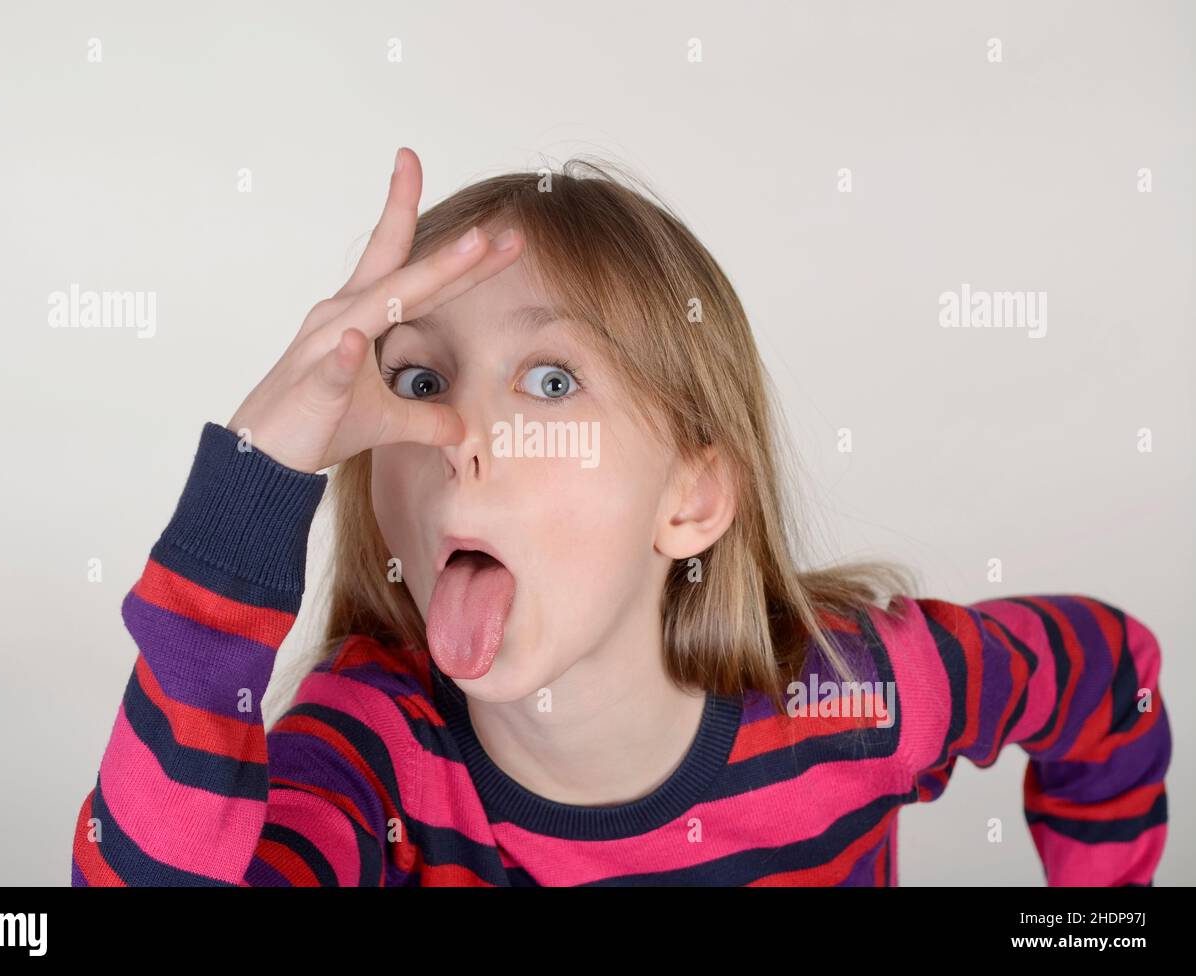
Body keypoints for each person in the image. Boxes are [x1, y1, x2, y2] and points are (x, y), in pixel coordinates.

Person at [71, 147, 1170, 885]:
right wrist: (256, 473)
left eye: (549, 382)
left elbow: (1105, 676)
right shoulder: (374, 759)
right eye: (417, 383)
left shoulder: (865, 696)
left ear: (689, 499)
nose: (463, 430)